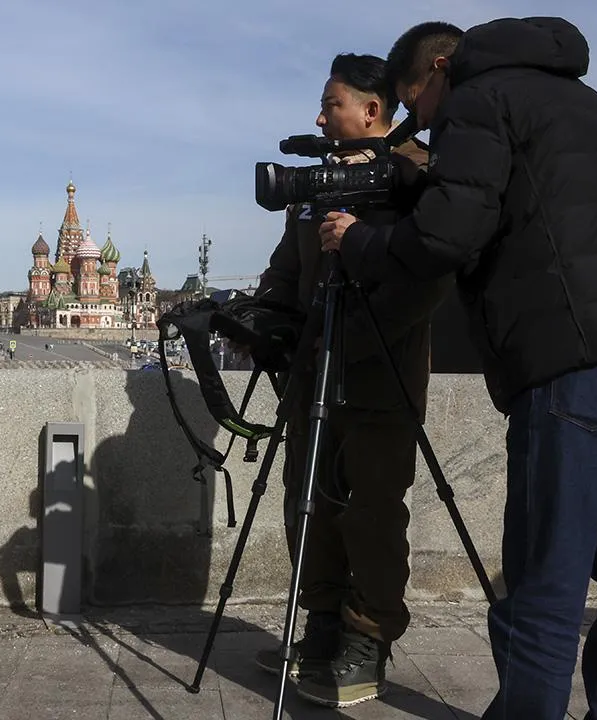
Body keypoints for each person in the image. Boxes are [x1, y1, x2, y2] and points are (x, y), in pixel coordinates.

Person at [318, 18, 597, 720]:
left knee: (544, 582)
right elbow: (513, 202)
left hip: (569, 358)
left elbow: (448, 234)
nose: (422, 125)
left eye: (416, 103)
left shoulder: (477, 98)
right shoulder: (583, 100)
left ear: (438, 68)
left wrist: (361, 241)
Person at [249, 53, 453, 707]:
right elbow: (287, 271)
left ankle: (366, 641)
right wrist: (259, 320)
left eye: (329, 104)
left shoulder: (417, 179)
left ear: (370, 110)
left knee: (371, 514)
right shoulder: (317, 183)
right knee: (308, 504)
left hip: (380, 379)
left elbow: (425, 281)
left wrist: (354, 342)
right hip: (314, 380)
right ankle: (321, 628)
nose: (318, 118)